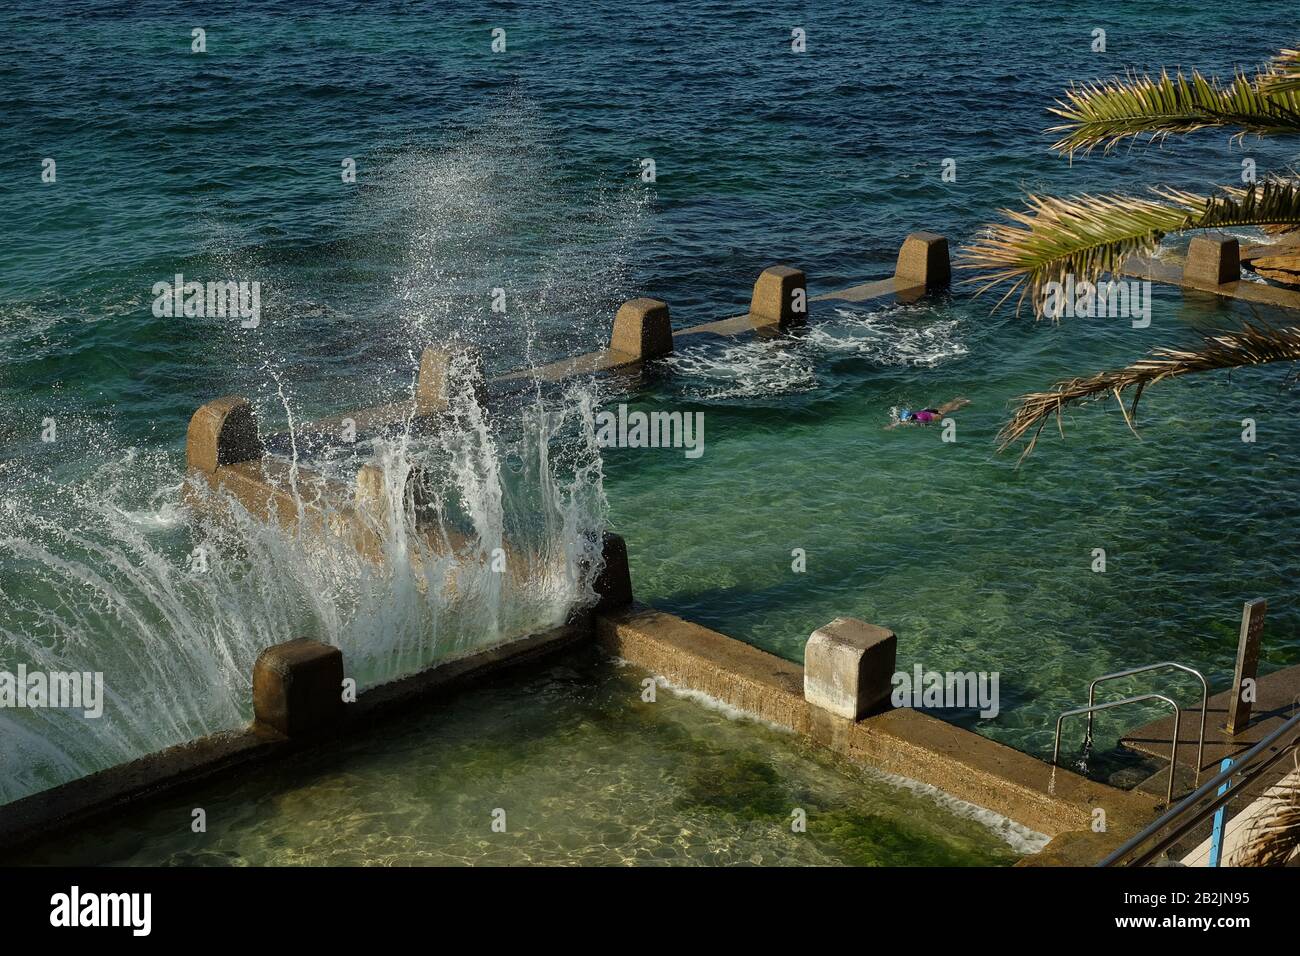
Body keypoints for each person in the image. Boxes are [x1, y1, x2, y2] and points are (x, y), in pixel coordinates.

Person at [887, 397, 969, 429]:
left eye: (904, 420)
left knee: (949, 410)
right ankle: (956, 400)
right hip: (928, 411)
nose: (903, 422)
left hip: (935, 416)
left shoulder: (919, 420)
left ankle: (962, 403)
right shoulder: (911, 416)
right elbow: (899, 422)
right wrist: (890, 426)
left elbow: (927, 424)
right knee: (944, 407)